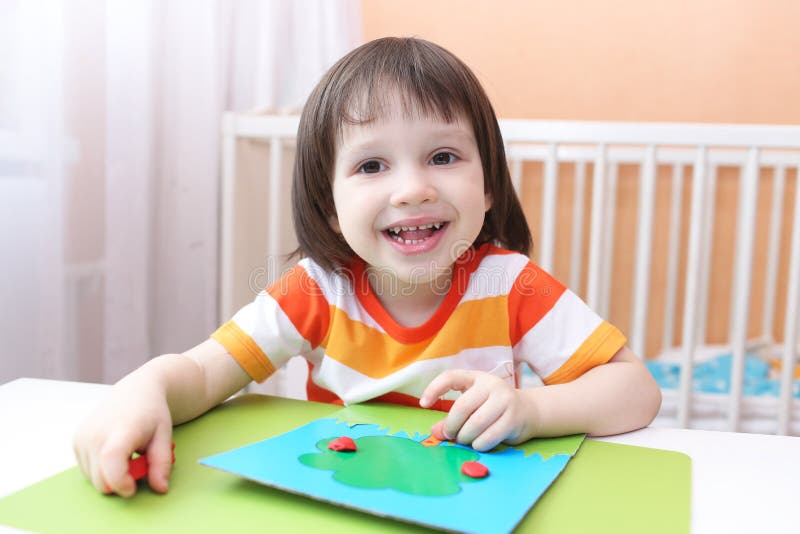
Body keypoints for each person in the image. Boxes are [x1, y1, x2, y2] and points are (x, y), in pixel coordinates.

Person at [73, 37, 661, 498]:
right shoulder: (315, 290)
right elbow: (202, 376)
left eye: (444, 156)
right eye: (373, 165)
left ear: (488, 190)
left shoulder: (512, 284)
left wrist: (533, 410)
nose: (412, 189)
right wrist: (143, 388)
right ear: (330, 207)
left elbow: (635, 389)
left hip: (470, 503)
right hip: (335, 498)